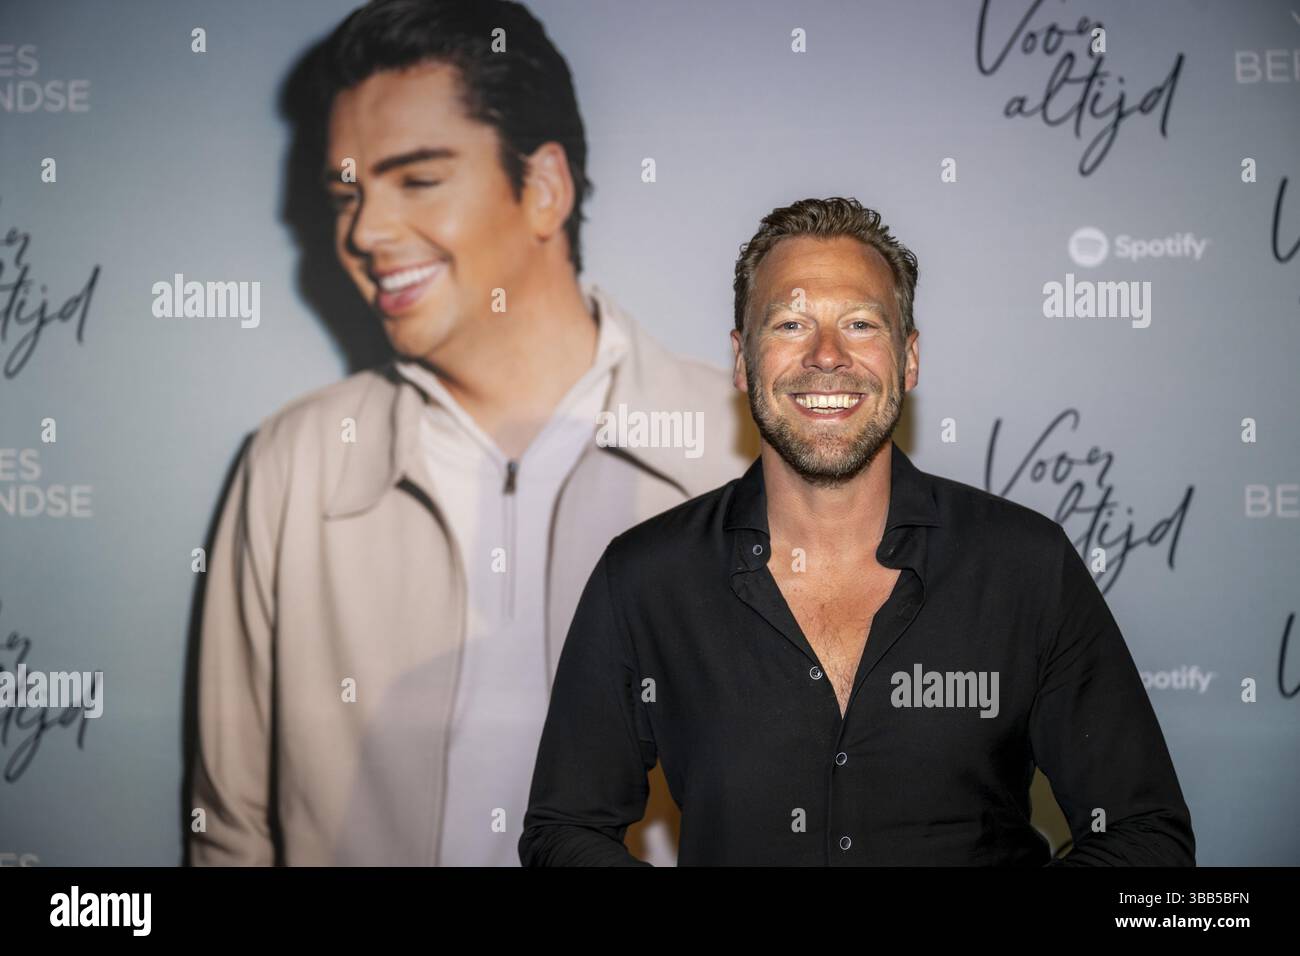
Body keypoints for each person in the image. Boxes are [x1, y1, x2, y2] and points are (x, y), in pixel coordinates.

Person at [188, 0, 752, 866]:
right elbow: (229, 833)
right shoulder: (291, 466)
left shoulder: (739, 453)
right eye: (347, 193)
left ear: (544, 189)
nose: (365, 233)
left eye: (416, 179)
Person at [519, 196, 1196, 866]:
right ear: (740, 360)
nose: (827, 356)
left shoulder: (1026, 566)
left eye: (861, 324)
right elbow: (563, 831)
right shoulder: (645, 577)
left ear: (909, 359)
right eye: (789, 324)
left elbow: (1145, 837)